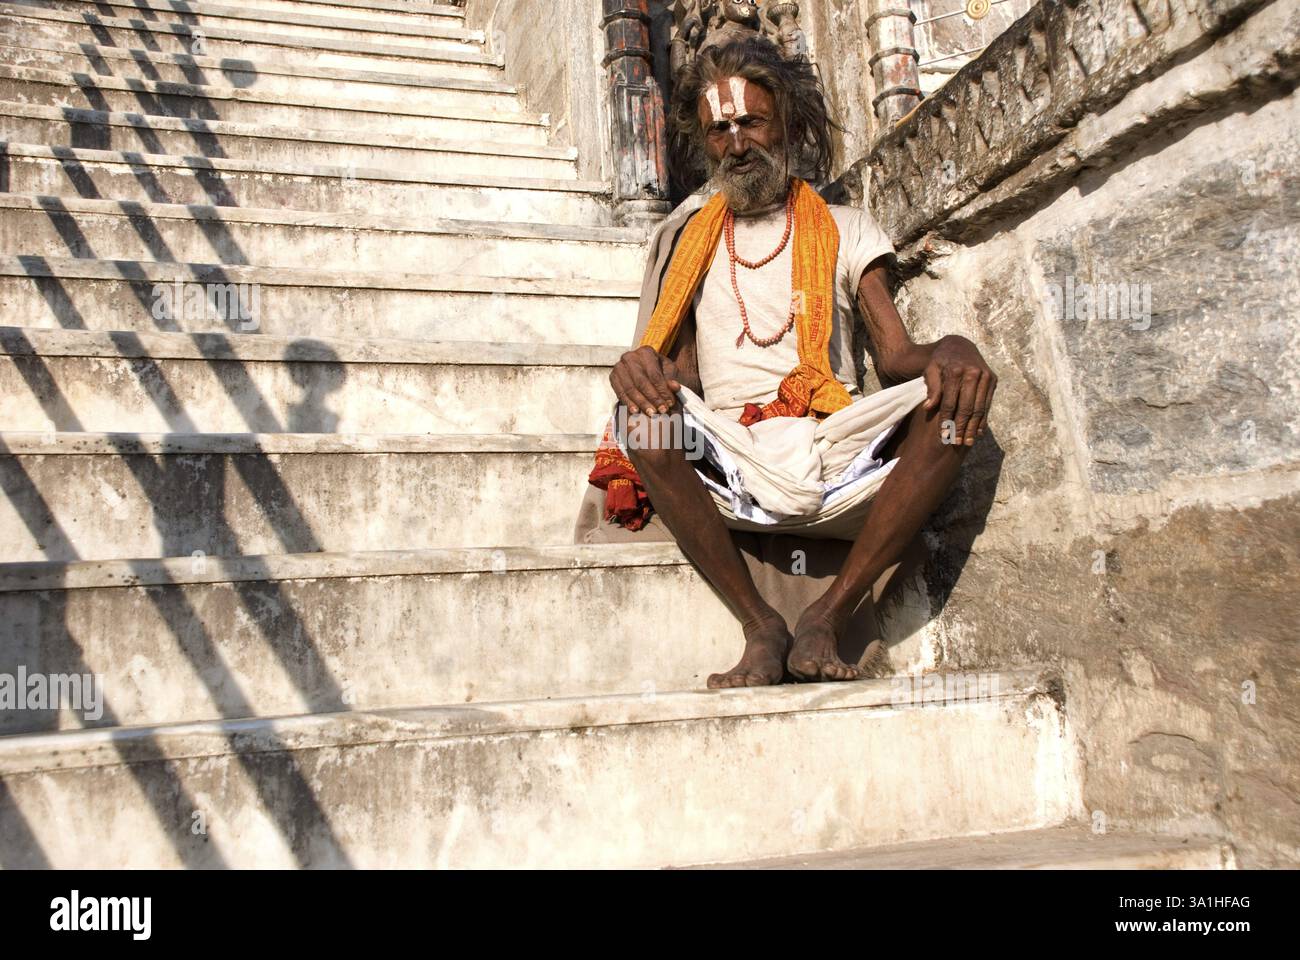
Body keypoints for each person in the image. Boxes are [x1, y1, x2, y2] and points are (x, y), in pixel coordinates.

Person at [576, 37, 997, 689]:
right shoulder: (694, 240)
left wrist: (952, 349)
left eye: (751, 121)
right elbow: (681, 375)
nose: (737, 142)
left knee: (954, 409)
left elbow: (896, 355)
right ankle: (760, 625)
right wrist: (645, 372)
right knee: (642, 422)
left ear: (786, 125)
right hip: (732, 454)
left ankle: (827, 615)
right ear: (707, 143)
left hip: (834, 446)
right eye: (720, 129)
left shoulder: (847, 225)